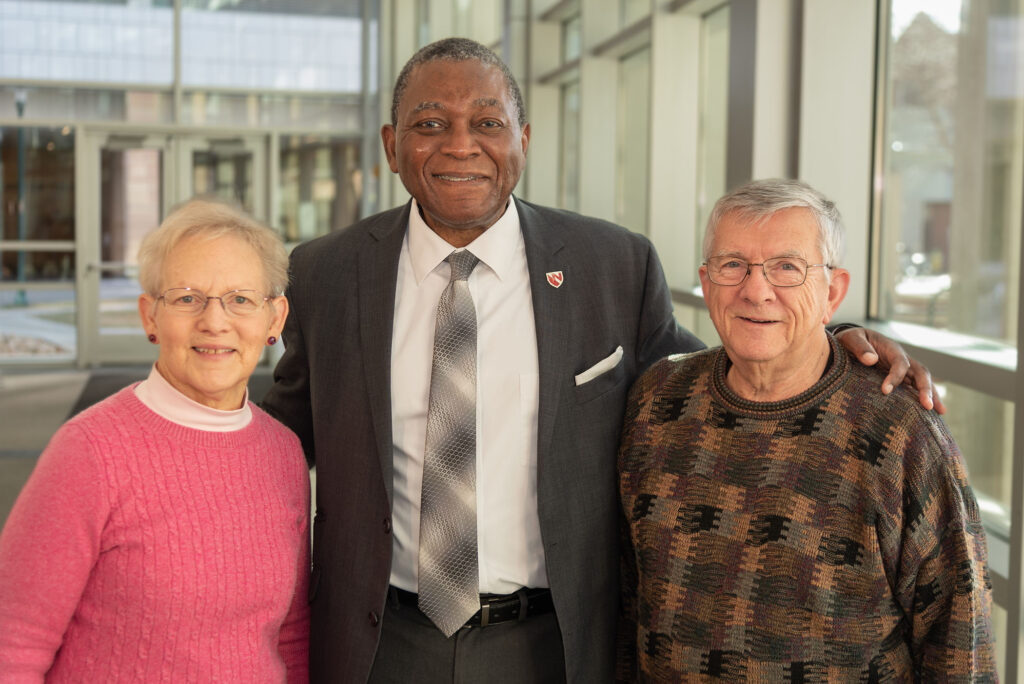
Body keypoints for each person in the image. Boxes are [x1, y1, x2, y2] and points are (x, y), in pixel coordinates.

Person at [262, 38, 941, 684]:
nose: (461, 144)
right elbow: (276, 445)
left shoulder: (612, 264)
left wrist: (829, 338)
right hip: (380, 643)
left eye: (488, 123)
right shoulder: (326, 273)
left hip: (554, 645)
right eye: (430, 123)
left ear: (523, 141)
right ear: (392, 146)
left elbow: (714, 383)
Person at [617, 179, 996, 681]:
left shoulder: (901, 434)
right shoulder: (657, 400)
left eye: (787, 267)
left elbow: (961, 645)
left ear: (832, 292)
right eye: (733, 265)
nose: (756, 290)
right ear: (707, 284)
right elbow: (627, 600)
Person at [0, 199, 310, 682]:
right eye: (187, 298)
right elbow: (14, 645)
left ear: (274, 319)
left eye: (240, 299)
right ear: (150, 316)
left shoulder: (284, 453)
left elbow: (291, 638)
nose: (215, 321)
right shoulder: (89, 451)